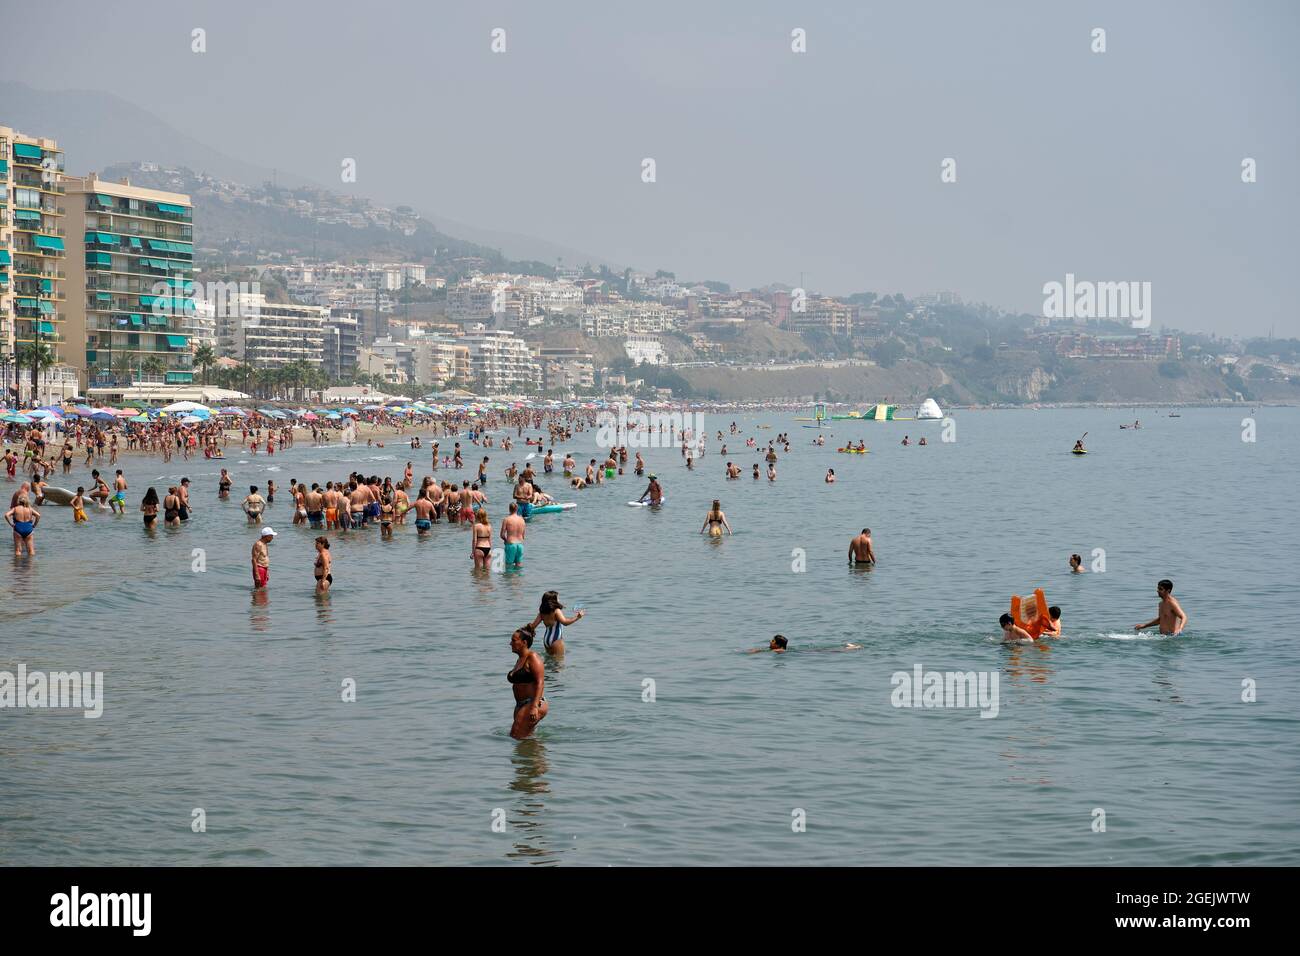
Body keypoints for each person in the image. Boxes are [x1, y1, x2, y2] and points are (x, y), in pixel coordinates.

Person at [508, 623, 548, 740]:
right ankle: (536, 751)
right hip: (521, 705)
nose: (510, 643)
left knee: (515, 735)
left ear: (524, 642)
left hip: (532, 703)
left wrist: (534, 707)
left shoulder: (533, 657)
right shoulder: (520, 659)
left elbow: (540, 682)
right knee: (525, 739)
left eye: (514, 640)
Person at [531, 590, 584, 655]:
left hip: (546, 640)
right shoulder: (556, 611)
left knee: (548, 660)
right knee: (559, 661)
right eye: (557, 598)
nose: (559, 600)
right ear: (553, 600)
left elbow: (533, 626)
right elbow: (565, 622)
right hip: (556, 639)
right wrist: (577, 617)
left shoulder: (541, 613)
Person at [501, 502, 526, 567]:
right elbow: (523, 535)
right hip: (520, 545)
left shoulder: (506, 519)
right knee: (518, 564)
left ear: (509, 509)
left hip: (511, 544)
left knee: (509, 565)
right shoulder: (522, 520)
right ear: (517, 509)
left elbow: (502, 535)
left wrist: (505, 540)